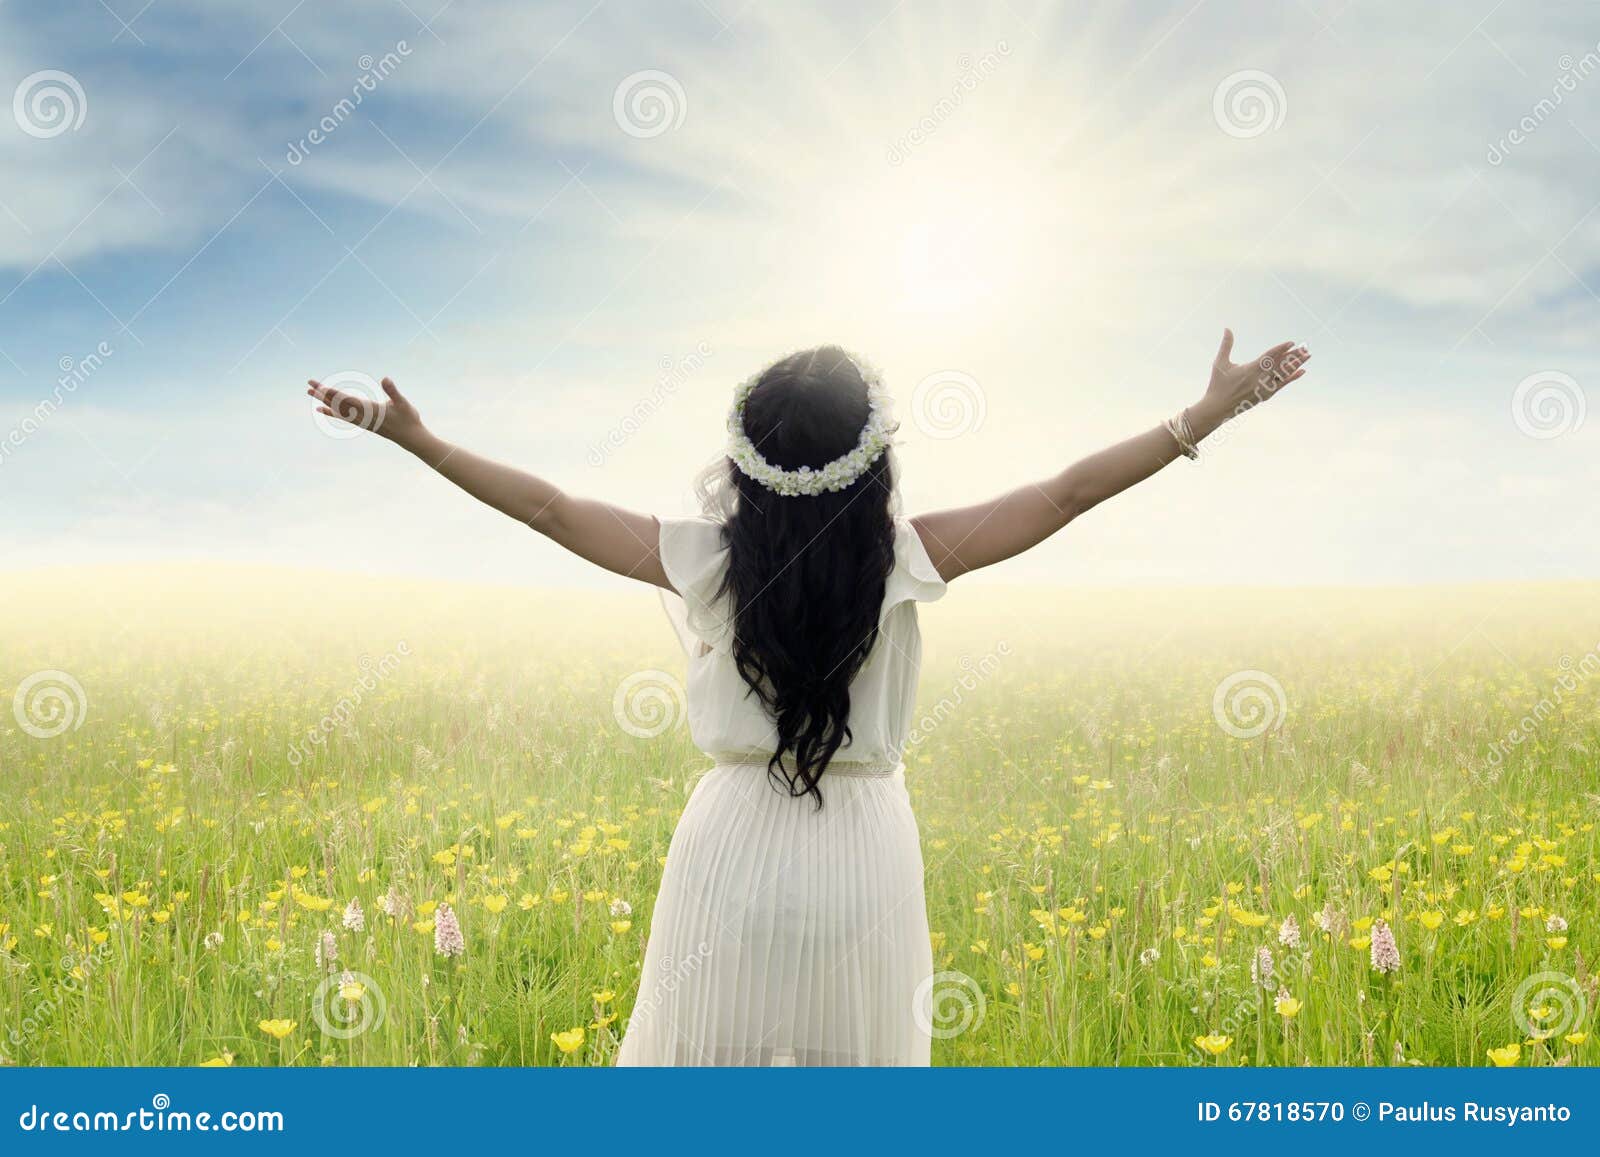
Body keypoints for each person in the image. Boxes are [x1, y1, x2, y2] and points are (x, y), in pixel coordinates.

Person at [305, 331, 1310, 1065]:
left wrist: (418, 439)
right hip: (864, 851)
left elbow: (549, 508)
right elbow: (1065, 493)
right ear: (872, 460)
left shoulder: (704, 559)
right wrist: (1202, 416)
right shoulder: (907, 555)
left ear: (749, 460)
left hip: (728, 843)